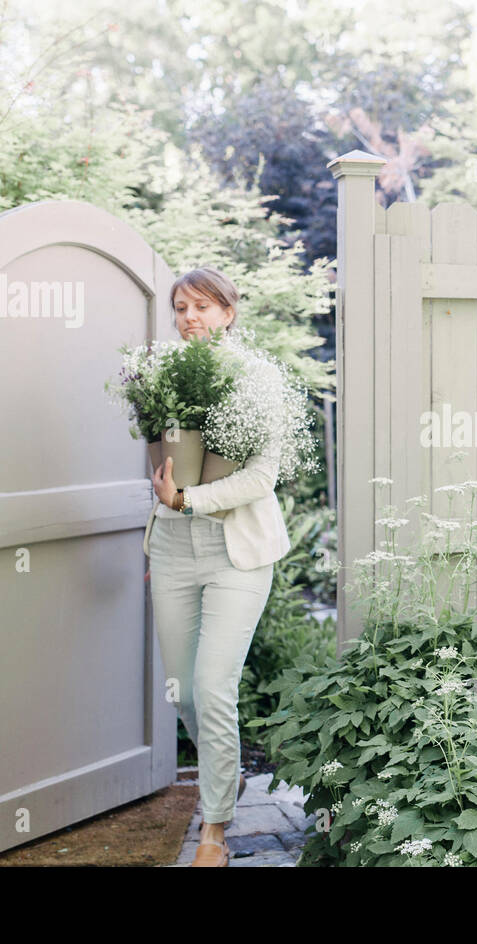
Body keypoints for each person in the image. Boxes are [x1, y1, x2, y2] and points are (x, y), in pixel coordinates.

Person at [144, 266, 291, 867]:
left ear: (228, 313)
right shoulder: (159, 375)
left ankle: (215, 830)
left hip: (237, 551)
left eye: (201, 306)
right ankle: (222, 780)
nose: (189, 318)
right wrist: (167, 506)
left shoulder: (258, 379)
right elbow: (162, 463)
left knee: (213, 685)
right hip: (173, 548)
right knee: (183, 691)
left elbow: (262, 476)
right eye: (180, 308)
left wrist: (192, 500)